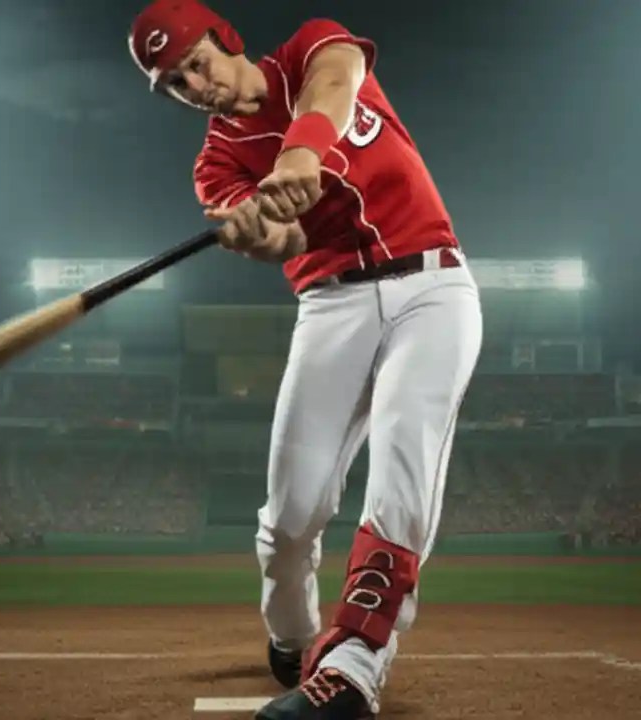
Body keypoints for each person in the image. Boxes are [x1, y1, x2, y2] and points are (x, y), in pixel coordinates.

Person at [128, 2, 483, 717]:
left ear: (226, 39)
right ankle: (291, 638)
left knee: (402, 463)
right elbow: (284, 244)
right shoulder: (216, 163)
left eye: (197, 62)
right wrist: (261, 226)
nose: (194, 85)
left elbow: (335, 82)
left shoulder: (308, 49)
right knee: (291, 517)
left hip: (433, 287)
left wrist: (299, 153)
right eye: (174, 84)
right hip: (331, 307)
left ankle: (351, 666)